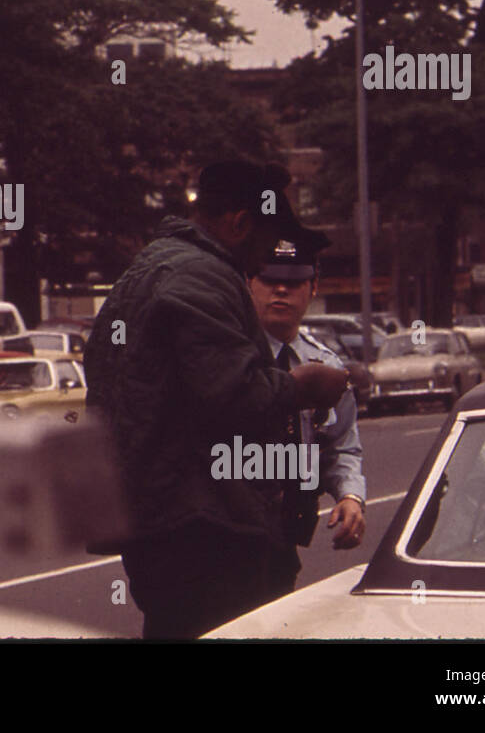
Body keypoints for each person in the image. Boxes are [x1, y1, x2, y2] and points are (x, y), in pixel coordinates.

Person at [84, 160, 348, 639]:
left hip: (158, 521)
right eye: (266, 246)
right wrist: (304, 386)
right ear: (241, 223)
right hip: (203, 528)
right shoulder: (202, 276)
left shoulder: (149, 268)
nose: (262, 264)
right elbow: (232, 393)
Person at [247, 237, 367, 581]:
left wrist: (350, 496)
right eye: (269, 280)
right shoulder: (230, 359)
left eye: (295, 281)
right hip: (228, 534)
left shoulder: (325, 364)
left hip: (286, 534)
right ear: (249, 283)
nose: (281, 289)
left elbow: (341, 445)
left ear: (313, 287)